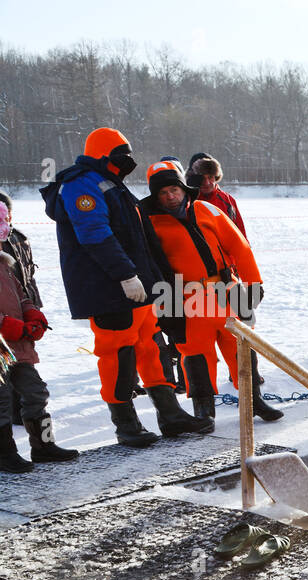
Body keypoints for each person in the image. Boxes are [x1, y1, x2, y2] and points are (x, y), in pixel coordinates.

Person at [41, 128, 209, 447]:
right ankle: (126, 423)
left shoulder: (112, 184)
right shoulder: (82, 183)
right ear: (104, 154)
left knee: (151, 347)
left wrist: (148, 279)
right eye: (122, 153)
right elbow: (94, 234)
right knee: (116, 353)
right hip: (109, 289)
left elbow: (139, 240)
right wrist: (125, 275)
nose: (128, 160)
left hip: (137, 288)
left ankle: (170, 414)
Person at [141, 160, 282, 423]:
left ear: (184, 188)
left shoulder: (206, 209)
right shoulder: (147, 221)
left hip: (226, 290)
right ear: (155, 196)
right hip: (186, 299)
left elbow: (239, 247)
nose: (170, 196)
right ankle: (203, 409)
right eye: (163, 192)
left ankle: (254, 401)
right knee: (195, 354)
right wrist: (165, 305)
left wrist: (253, 283)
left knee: (241, 345)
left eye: (174, 190)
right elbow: (149, 265)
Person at [1, 201, 78, 471]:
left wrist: (33, 314)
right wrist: (8, 325)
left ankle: (43, 445)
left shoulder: (5, 264)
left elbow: (22, 295)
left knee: (35, 393)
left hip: (18, 346)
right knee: (1, 401)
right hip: (2, 347)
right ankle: (5, 453)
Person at [188, 153, 246, 236]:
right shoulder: (186, 201)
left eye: (210, 177)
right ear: (192, 179)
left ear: (216, 177)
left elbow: (240, 234)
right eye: (202, 178)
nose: (207, 183)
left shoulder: (227, 201)